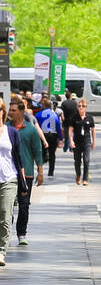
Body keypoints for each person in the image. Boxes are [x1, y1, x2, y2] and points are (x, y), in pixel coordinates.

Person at [9, 95, 43, 246]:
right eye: (9, 110)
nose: (10, 112)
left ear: (22, 112)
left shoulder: (30, 130)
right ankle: (5, 233)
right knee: (6, 206)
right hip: (8, 174)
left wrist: (40, 172)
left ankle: (21, 233)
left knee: (24, 205)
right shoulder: (5, 128)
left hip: (27, 173)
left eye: (13, 110)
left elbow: (37, 151)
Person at [1, 100, 29, 266]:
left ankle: (1, 251)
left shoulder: (11, 132)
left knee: (5, 214)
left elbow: (19, 159)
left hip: (8, 179)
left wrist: (23, 183)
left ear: (3, 112)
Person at [69, 97, 96, 185]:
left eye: (83, 106)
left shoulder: (89, 118)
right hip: (77, 142)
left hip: (87, 141)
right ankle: (78, 175)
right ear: (77, 107)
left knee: (86, 160)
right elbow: (70, 130)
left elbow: (93, 130)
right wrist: (71, 141)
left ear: (86, 107)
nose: (81, 107)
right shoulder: (74, 118)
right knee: (77, 161)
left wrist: (94, 142)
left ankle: (85, 179)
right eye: (79, 106)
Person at [36, 98, 63, 176]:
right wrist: (60, 137)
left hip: (42, 135)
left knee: (41, 153)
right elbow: (58, 126)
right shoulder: (55, 114)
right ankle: (51, 172)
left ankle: (40, 170)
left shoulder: (38, 114)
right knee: (52, 153)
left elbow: (36, 126)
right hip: (52, 135)